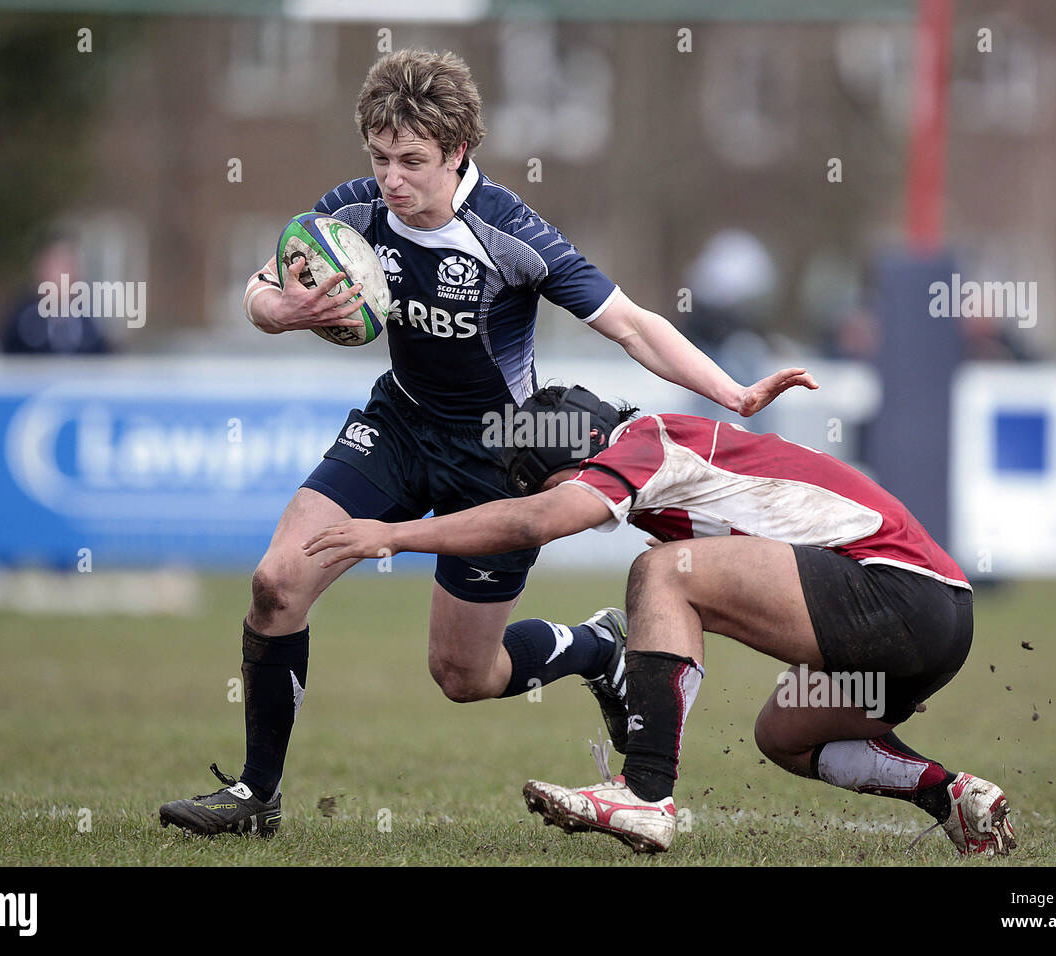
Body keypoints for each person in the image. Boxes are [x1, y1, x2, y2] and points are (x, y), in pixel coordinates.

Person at [158, 49, 791, 837]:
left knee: (464, 675)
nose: (392, 179)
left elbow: (630, 323)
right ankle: (257, 796)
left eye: (413, 161)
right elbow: (261, 288)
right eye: (381, 158)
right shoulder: (350, 214)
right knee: (276, 584)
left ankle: (595, 648)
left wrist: (729, 391)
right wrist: (276, 312)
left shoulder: (510, 233)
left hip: (500, 451)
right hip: (396, 423)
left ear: (458, 151)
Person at [302, 378, 1018, 858]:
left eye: (552, 474)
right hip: (935, 619)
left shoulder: (644, 445)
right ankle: (950, 797)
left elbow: (539, 519)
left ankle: (645, 792)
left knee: (660, 572)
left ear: (578, 450)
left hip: (898, 595)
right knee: (786, 733)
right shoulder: (679, 458)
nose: (575, 494)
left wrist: (391, 534)